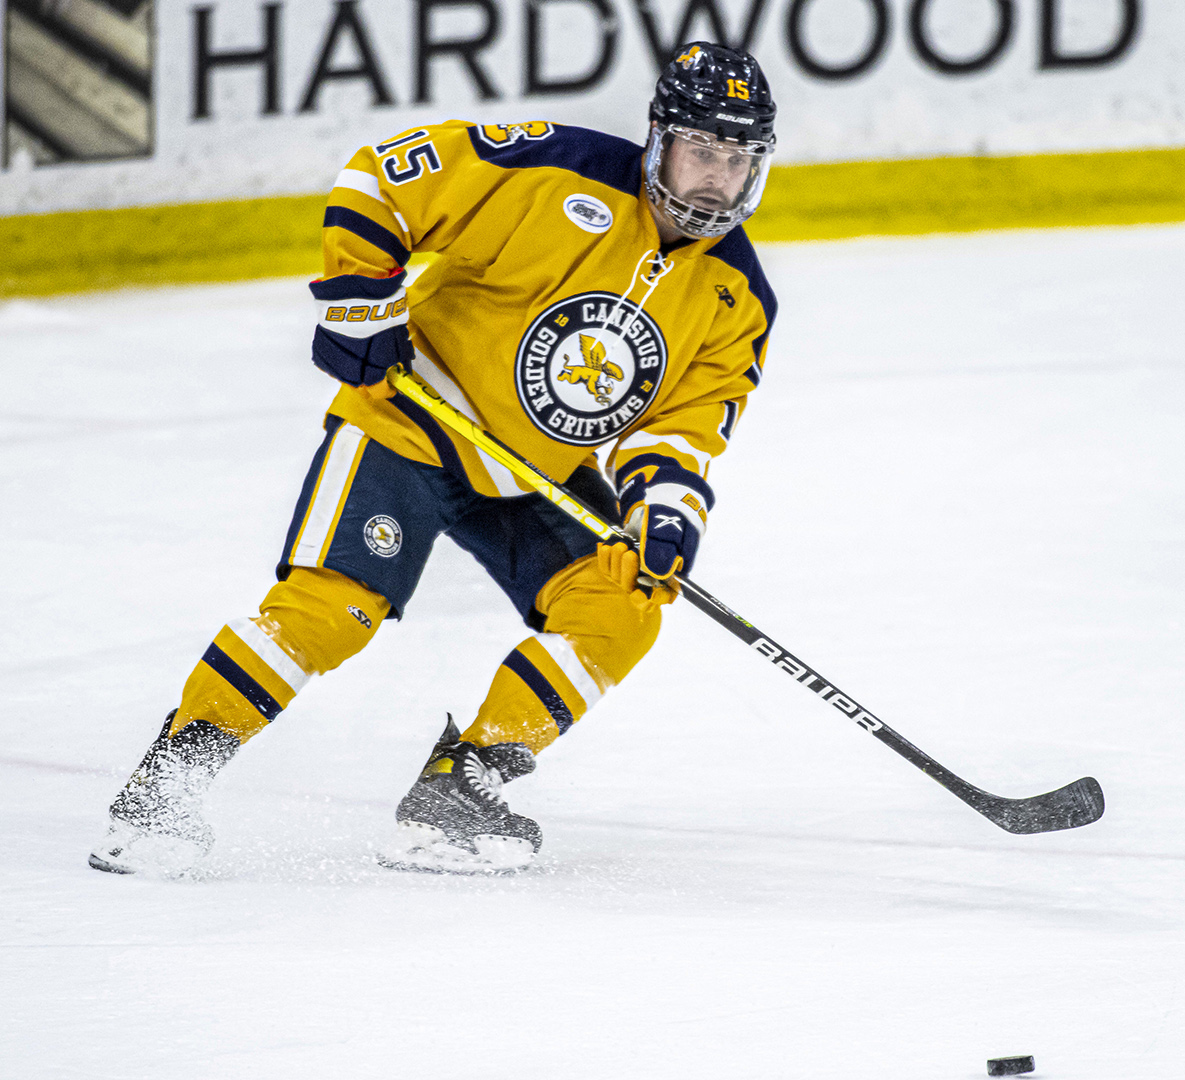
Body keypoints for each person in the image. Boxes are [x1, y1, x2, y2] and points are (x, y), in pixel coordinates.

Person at [88, 41, 779, 876]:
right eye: (703, 150)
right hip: (412, 425)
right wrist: (358, 304)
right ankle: (163, 786)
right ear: (660, 139)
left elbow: (685, 427)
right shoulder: (555, 172)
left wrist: (664, 513)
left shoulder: (737, 295)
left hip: (536, 473)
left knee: (624, 599)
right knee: (330, 608)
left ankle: (461, 787)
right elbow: (381, 176)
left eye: (737, 159)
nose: (717, 177)